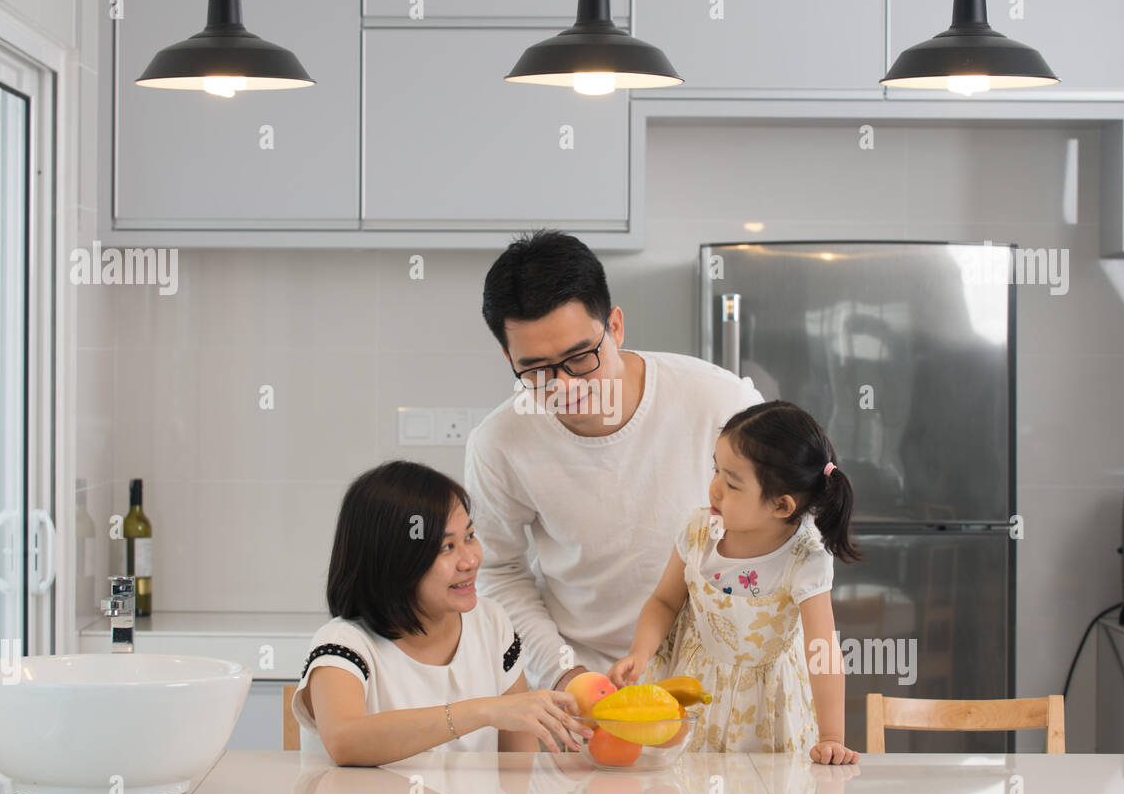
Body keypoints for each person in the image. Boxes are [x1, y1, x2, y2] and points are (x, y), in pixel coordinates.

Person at [465, 229, 763, 697]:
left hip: (721, 684)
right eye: (536, 370)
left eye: (580, 357)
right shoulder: (500, 443)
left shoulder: (719, 401)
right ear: (508, 356)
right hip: (588, 690)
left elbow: (783, 527)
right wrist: (565, 673)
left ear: (616, 327)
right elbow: (499, 572)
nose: (563, 386)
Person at [291, 461, 593, 766]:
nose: (471, 560)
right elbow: (345, 741)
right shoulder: (344, 644)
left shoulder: (491, 623)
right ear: (394, 560)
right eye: (447, 547)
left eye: (470, 537)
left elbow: (517, 765)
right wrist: (483, 711)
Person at [608, 401, 862, 763]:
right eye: (715, 470)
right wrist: (640, 651)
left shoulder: (805, 556)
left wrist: (832, 736)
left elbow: (822, 652)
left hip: (767, 708)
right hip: (695, 691)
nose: (714, 489)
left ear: (781, 506)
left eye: (731, 483)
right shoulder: (699, 532)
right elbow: (665, 602)